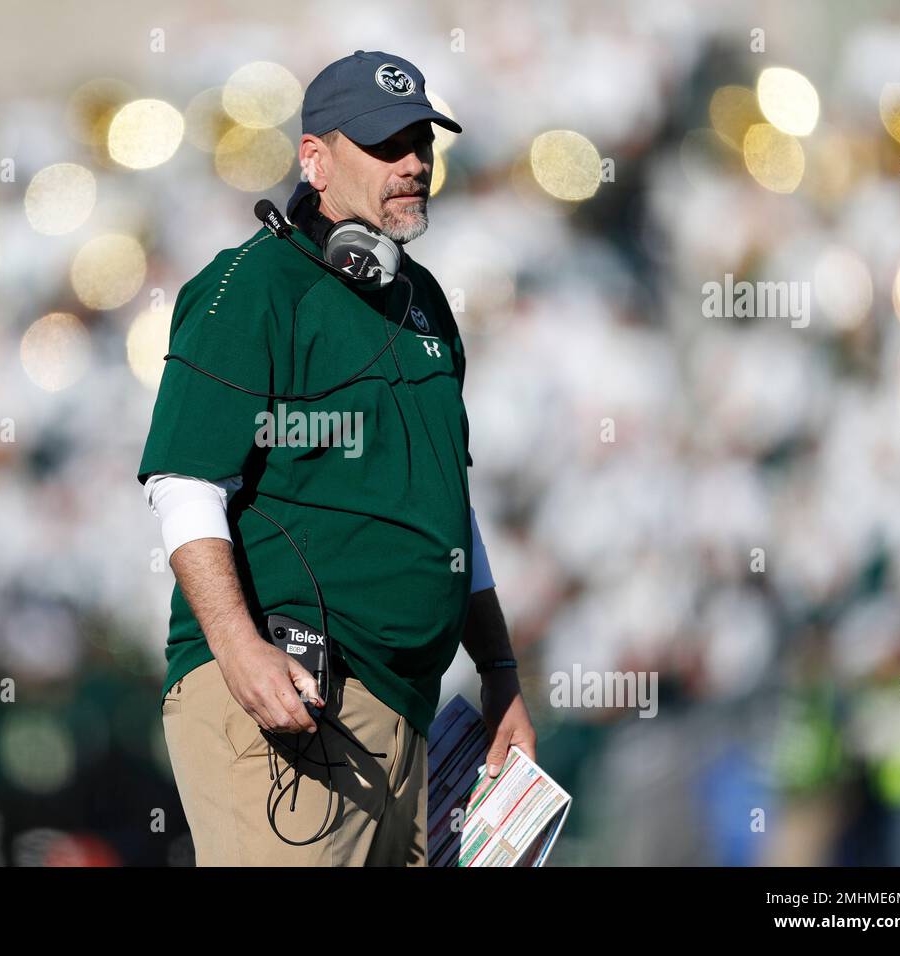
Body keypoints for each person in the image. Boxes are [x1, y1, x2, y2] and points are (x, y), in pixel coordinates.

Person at [139, 50, 536, 866]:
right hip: (291, 703)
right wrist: (240, 650)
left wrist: (500, 677)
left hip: (410, 722)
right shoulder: (249, 286)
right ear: (314, 160)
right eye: (387, 144)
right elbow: (183, 483)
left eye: (422, 142)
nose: (415, 163)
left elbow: (447, 511)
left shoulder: (424, 300)